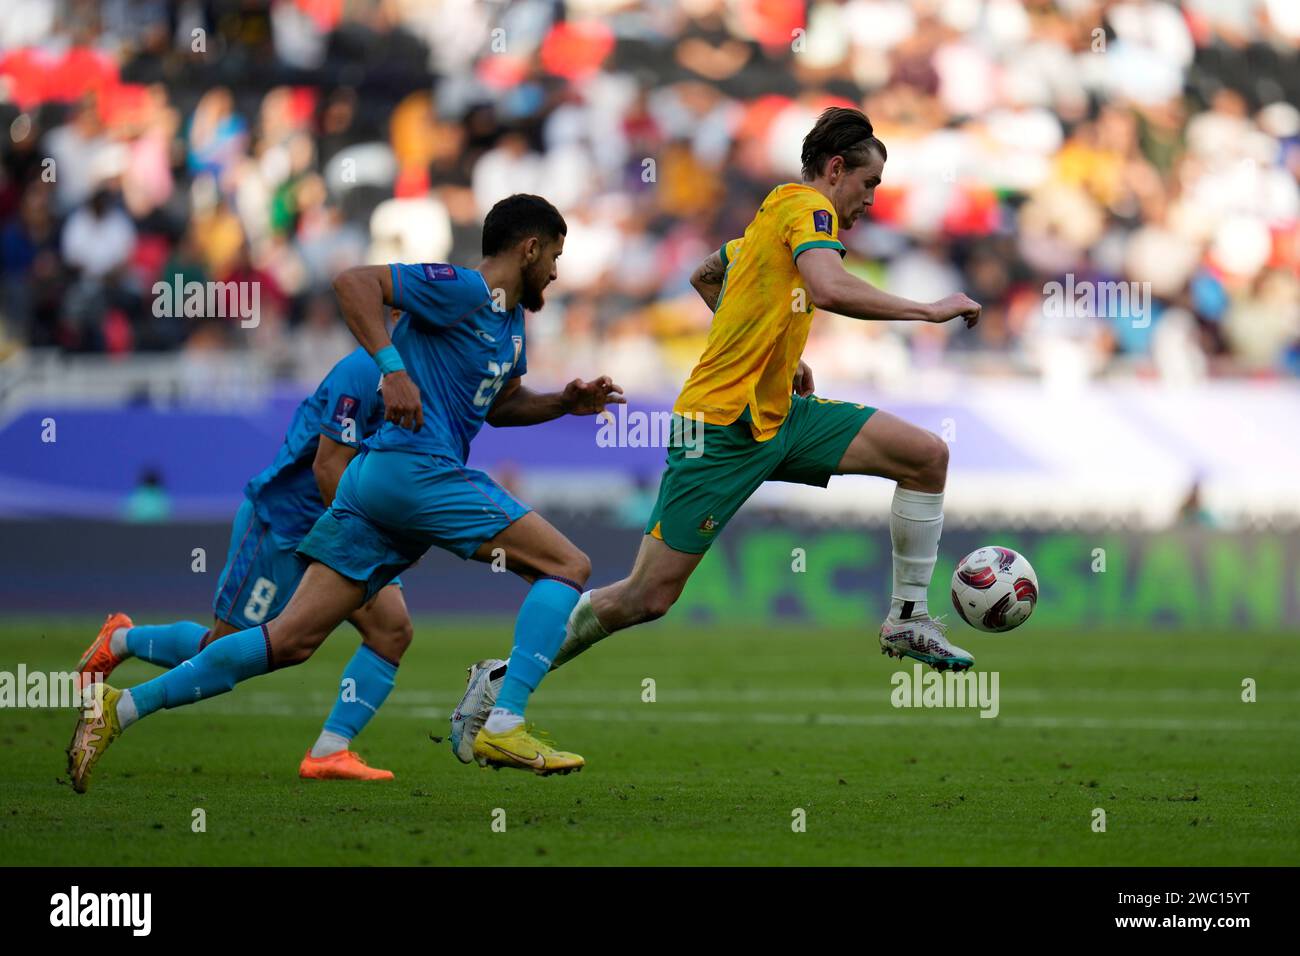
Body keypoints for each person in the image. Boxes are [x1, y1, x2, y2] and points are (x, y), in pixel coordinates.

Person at [449, 109, 984, 763]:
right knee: (646, 597)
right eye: (868, 184)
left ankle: (907, 619)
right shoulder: (805, 207)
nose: (871, 200)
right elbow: (827, 286)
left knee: (926, 455)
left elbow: (709, 273)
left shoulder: (770, 223)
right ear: (836, 170)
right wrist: (927, 310)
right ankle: (503, 680)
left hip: (782, 415)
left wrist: (773, 348)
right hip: (718, 429)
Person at [67, 194, 623, 792]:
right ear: (530, 247)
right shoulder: (462, 289)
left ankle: (120, 709)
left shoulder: (510, 324)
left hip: (378, 487)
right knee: (568, 565)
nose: (558, 273)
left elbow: (501, 405)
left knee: (289, 641)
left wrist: (563, 404)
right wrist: (391, 367)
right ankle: (502, 714)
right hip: (416, 471)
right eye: (556, 256)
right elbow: (354, 281)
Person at [78, 342, 412, 780]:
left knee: (391, 629)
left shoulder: (427, 371)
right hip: (285, 523)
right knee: (224, 649)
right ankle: (124, 640)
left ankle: (330, 749)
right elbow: (327, 468)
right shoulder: (362, 370)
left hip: (345, 528)